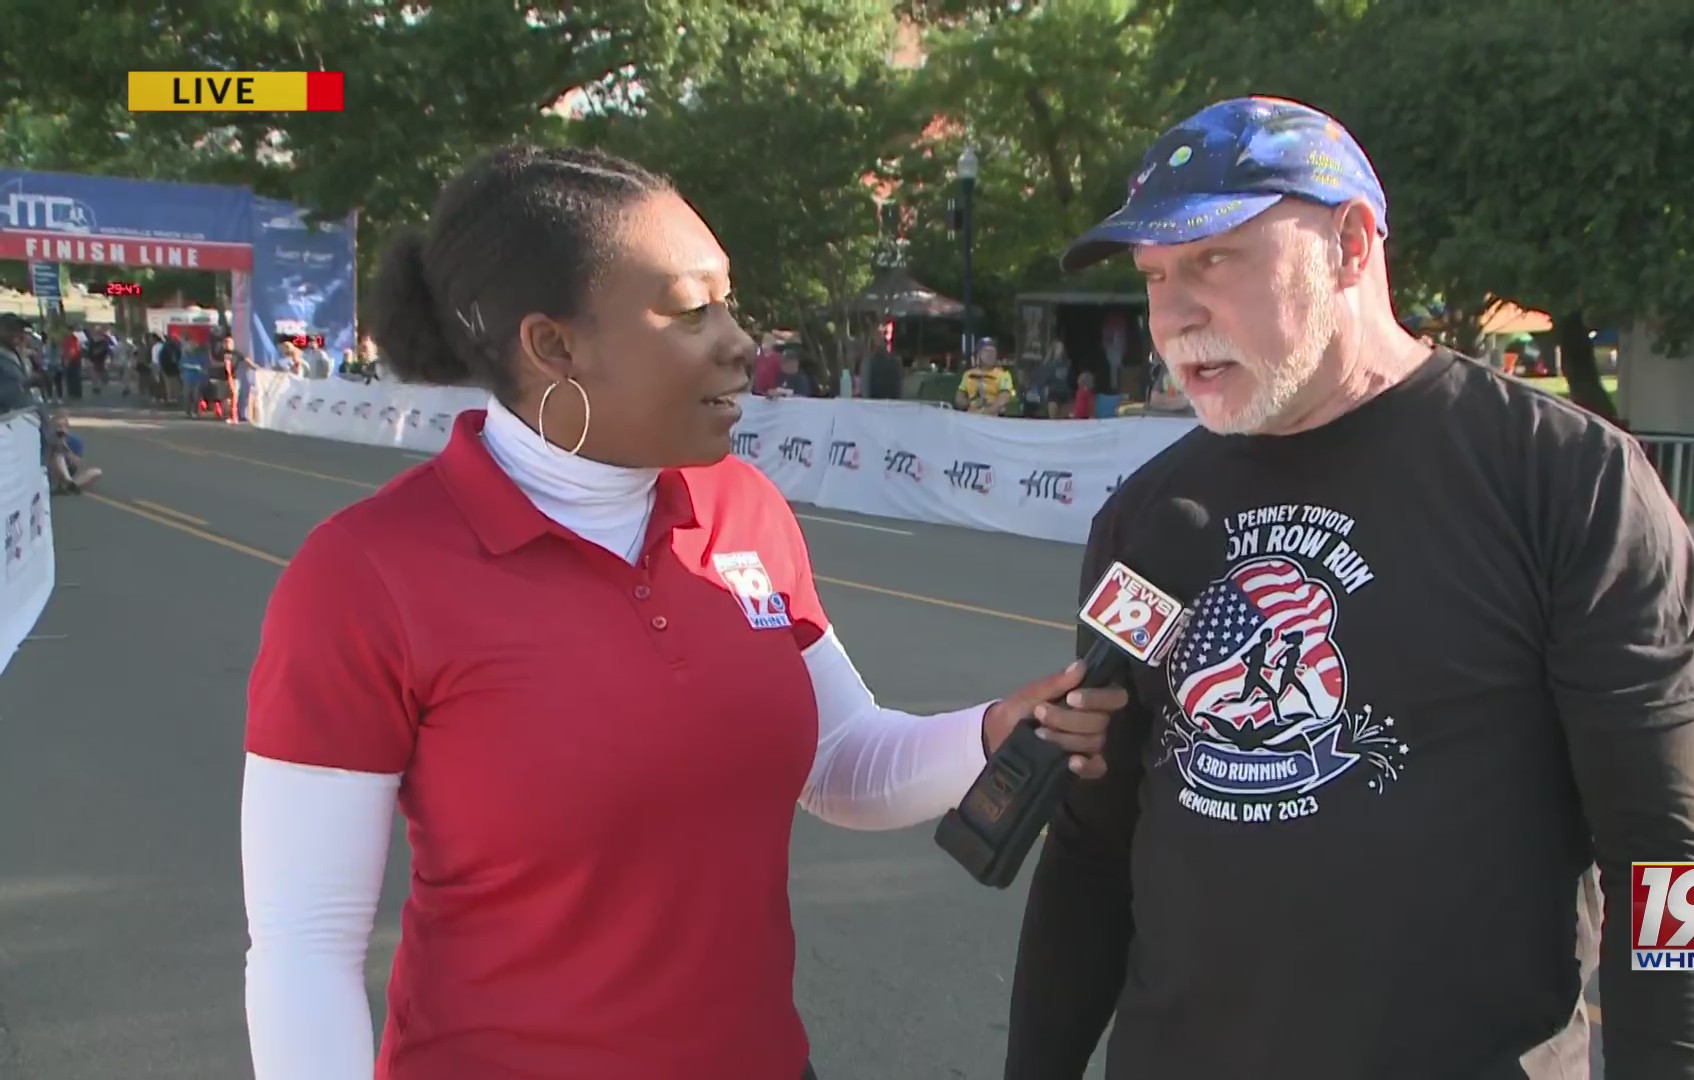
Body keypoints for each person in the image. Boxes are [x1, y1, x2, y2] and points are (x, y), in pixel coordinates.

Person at [239, 144, 1127, 1080]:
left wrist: (995, 733)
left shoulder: (744, 508)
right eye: (691, 309)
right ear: (554, 346)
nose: (743, 341)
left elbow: (839, 760)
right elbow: (305, 949)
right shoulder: (362, 576)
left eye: (730, 301)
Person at [1004, 97, 1694, 1080]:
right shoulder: (1149, 515)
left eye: (1215, 257)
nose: (1173, 314)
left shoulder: (1567, 482)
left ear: (1350, 244)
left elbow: (1670, 867)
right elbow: (1094, 849)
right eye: (1156, 276)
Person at [956, 338, 1014, 415]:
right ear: (979, 354)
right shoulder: (968, 374)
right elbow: (960, 395)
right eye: (987, 351)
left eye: (993, 352)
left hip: (993, 417)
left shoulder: (1003, 375)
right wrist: (966, 404)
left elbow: (1004, 397)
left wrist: (988, 411)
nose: (990, 355)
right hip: (970, 416)